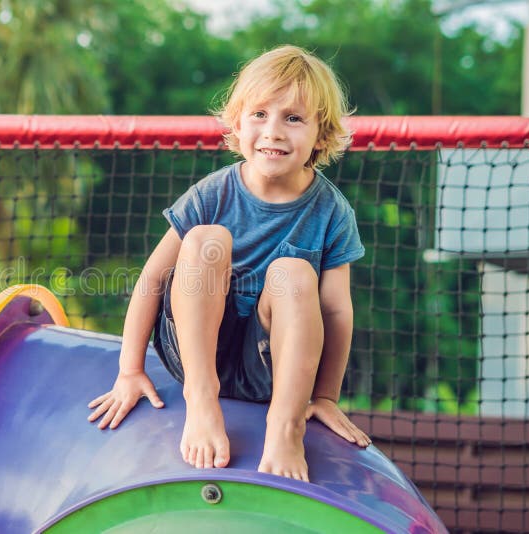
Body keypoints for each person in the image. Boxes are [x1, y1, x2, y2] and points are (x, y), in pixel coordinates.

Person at [87, 44, 371, 482]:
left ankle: (285, 425)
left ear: (322, 134)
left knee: (294, 271)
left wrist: (326, 397)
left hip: (269, 367)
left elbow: (335, 310)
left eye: (292, 118)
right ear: (237, 124)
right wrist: (130, 370)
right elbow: (152, 278)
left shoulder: (331, 212)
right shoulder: (213, 193)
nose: (273, 131)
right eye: (260, 114)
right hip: (197, 350)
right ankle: (202, 399)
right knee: (205, 240)